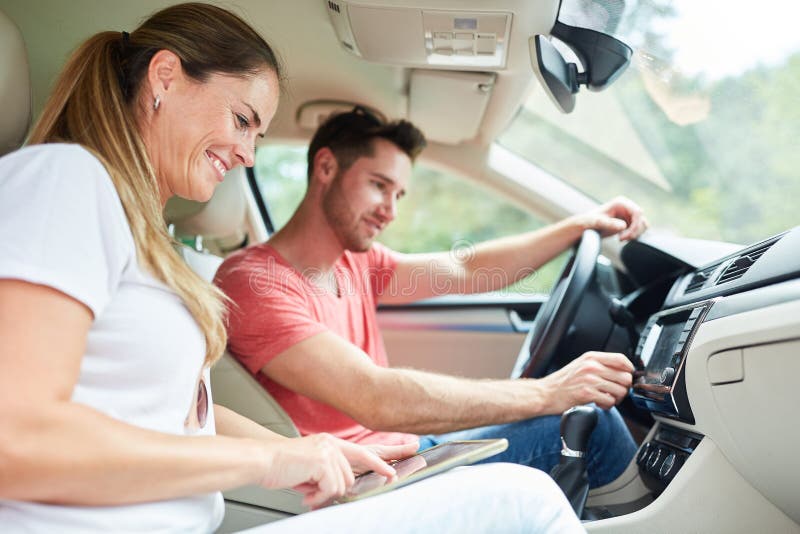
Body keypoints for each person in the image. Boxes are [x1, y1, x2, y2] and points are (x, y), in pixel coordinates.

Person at [0, 3, 584, 533]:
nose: (250, 154)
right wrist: (273, 457)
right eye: (242, 119)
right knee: (524, 498)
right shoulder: (64, 181)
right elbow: (14, 438)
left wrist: (315, 453)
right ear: (164, 77)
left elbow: (184, 413)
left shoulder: (140, 234)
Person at [216, 107, 648, 489]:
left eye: (398, 194)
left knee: (582, 418)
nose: (391, 210)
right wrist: (548, 392)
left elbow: (467, 269)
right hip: (366, 480)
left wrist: (578, 225)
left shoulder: (355, 262)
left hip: (405, 453)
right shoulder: (254, 283)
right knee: (593, 422)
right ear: (326, 167)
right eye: (379, 185)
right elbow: (374, 397)